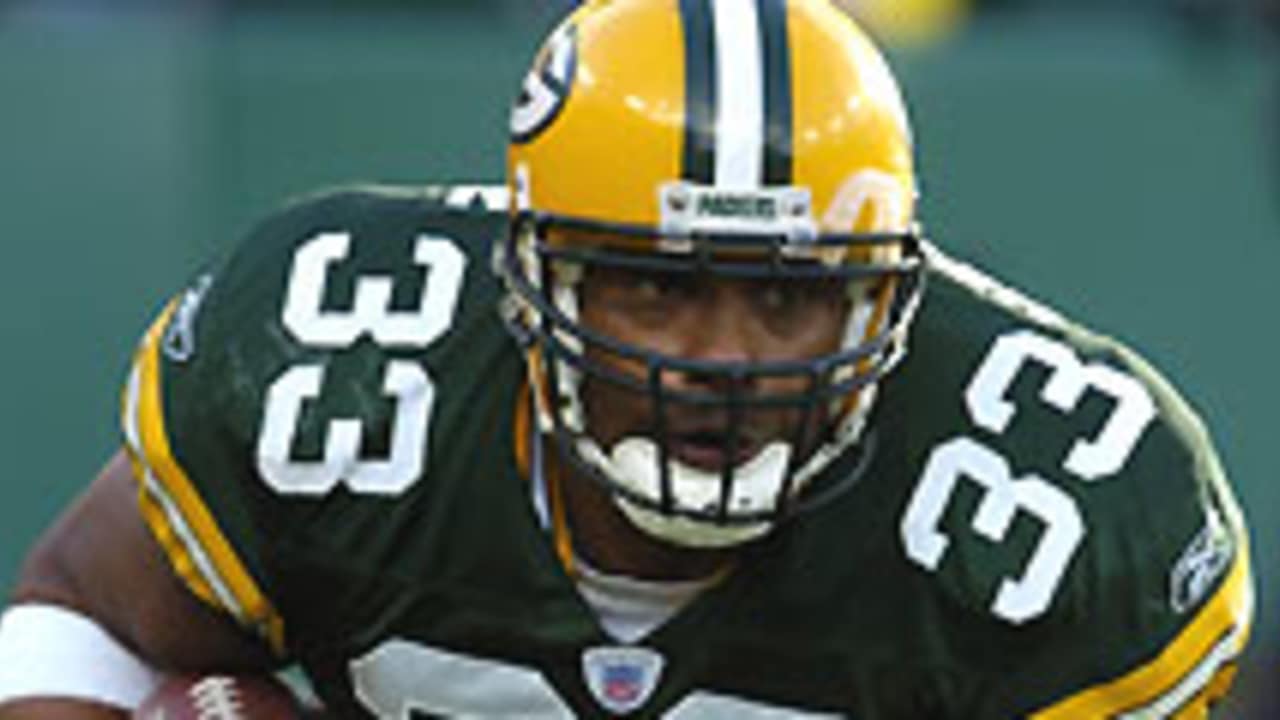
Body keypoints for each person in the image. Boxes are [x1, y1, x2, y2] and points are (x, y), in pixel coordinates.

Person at [0, 0, 1255, 717]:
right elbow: (77, 612)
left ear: (882, 305)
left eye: (787, 298)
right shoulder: (339, 376)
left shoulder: (1059, 519)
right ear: (529, 279)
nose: (720, 360)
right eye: (657, 285)